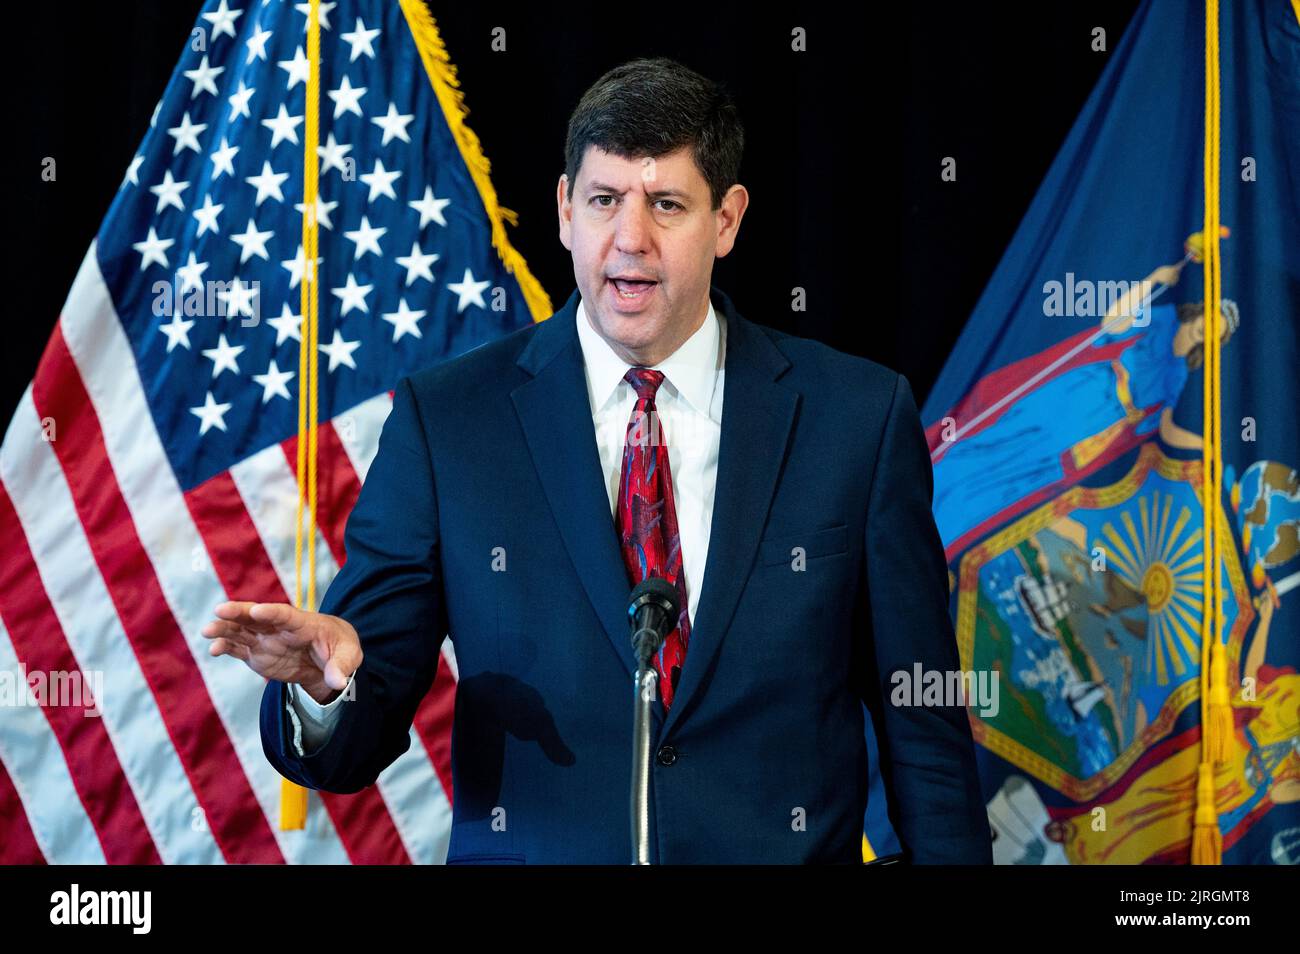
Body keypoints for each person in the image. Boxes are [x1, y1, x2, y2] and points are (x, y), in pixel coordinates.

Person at [201, 57, 990, 864]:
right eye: (606, 200)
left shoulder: (855, 417)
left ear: (727, 220)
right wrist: (323, 685)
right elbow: (354, 737)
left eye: (668, 205)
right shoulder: (451, 423)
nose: (630, 239)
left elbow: (922, 727)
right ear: (564, 209)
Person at [931, 260, 1239, 548]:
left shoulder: (1180, 370)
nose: (1209, 329)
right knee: (1009, 435)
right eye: (1213, 320)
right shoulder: (1165, 319)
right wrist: (1154, 279)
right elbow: (1113, 323)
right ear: (1202, 311)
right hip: (1087, 389)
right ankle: (933, 478)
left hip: (1101, 423)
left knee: (1027, 470)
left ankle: (946, 519)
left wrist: (1207, 447)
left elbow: (1165, 425)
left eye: (1218, 333)